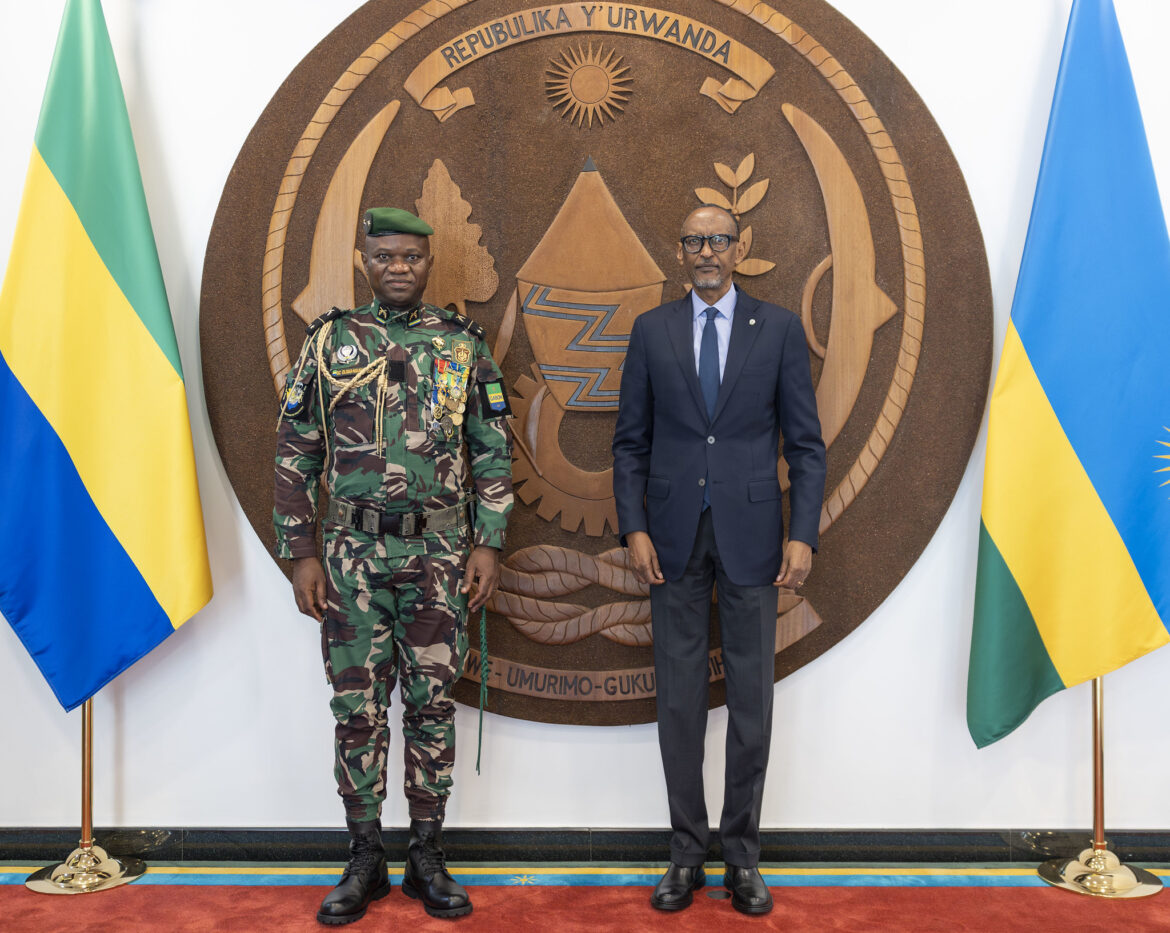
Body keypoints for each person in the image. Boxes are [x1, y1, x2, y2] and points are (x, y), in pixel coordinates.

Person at [274, 207, 513, 924]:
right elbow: (295, 453)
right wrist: (301, 553)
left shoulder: (462, 345)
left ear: (427, 261)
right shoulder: (331, 343)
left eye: (410, 256)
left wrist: (489, 541)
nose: (399, 267)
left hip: (440, 554)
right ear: (364, 260)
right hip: (349, 558)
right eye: (385, 256)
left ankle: (428, 854)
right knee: (358, 708)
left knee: (434, 705)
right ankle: (364, 853)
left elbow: (493, 448)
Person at [612, 205, 826, 916]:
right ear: (679, 251)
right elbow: (629, 445)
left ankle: (741, 857)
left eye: (719, 239)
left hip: (755, 538)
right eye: (695, 240)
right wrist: (633, 528)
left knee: (751, 703)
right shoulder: (652, 331)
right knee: (677, 700)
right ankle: (684, 854)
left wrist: (803, 535)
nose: (707, 251)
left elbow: (806, 446)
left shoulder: (782, 329)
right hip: (668, 540)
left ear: (741, 248)